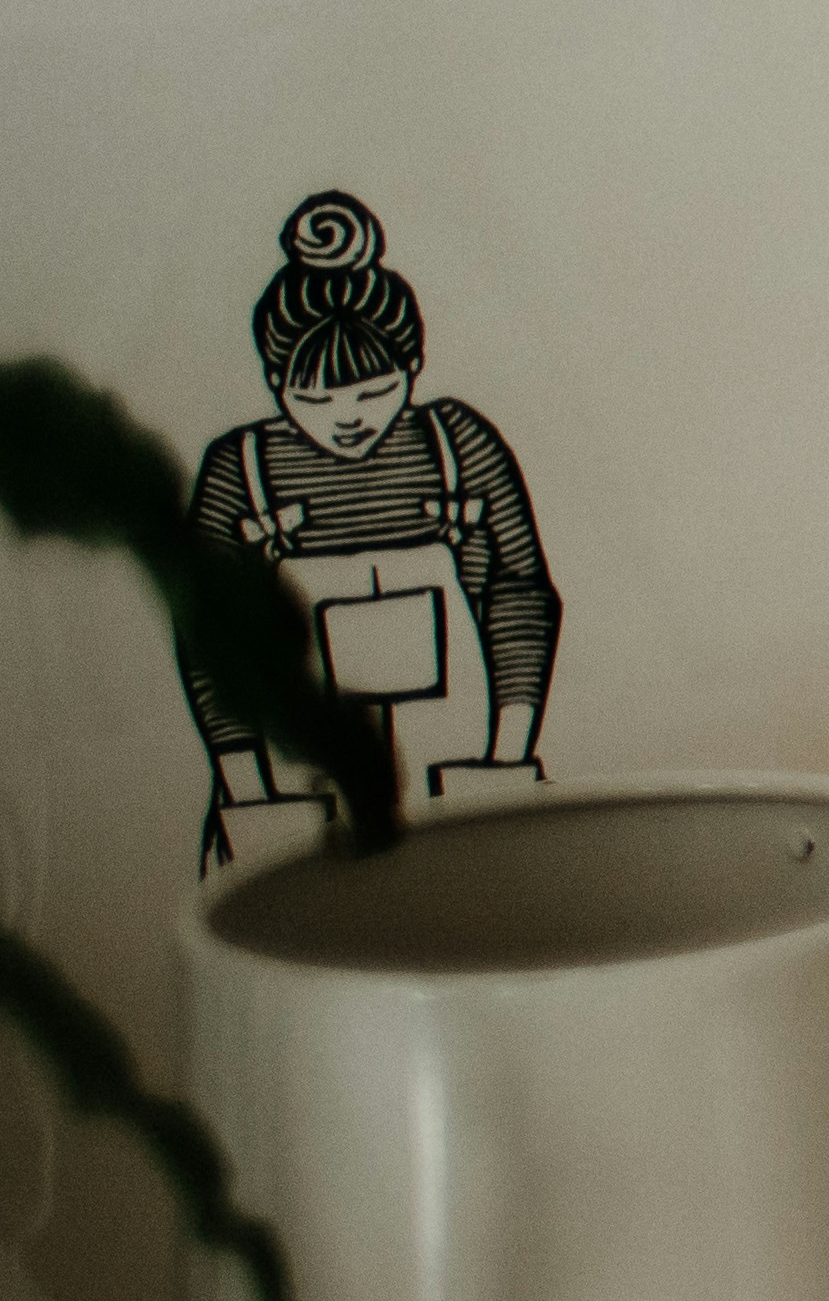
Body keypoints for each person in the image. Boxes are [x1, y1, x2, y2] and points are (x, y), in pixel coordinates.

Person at [180, 190, 561, 859]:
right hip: (297, 780)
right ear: (275, 382)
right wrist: (249, 789)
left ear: (411, 368)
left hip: (462, 767)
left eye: (374, 391)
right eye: (314, 398)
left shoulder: (460, 447)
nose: (348, 416)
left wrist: (504, 759)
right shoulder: (237, 472)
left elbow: (518, 594)